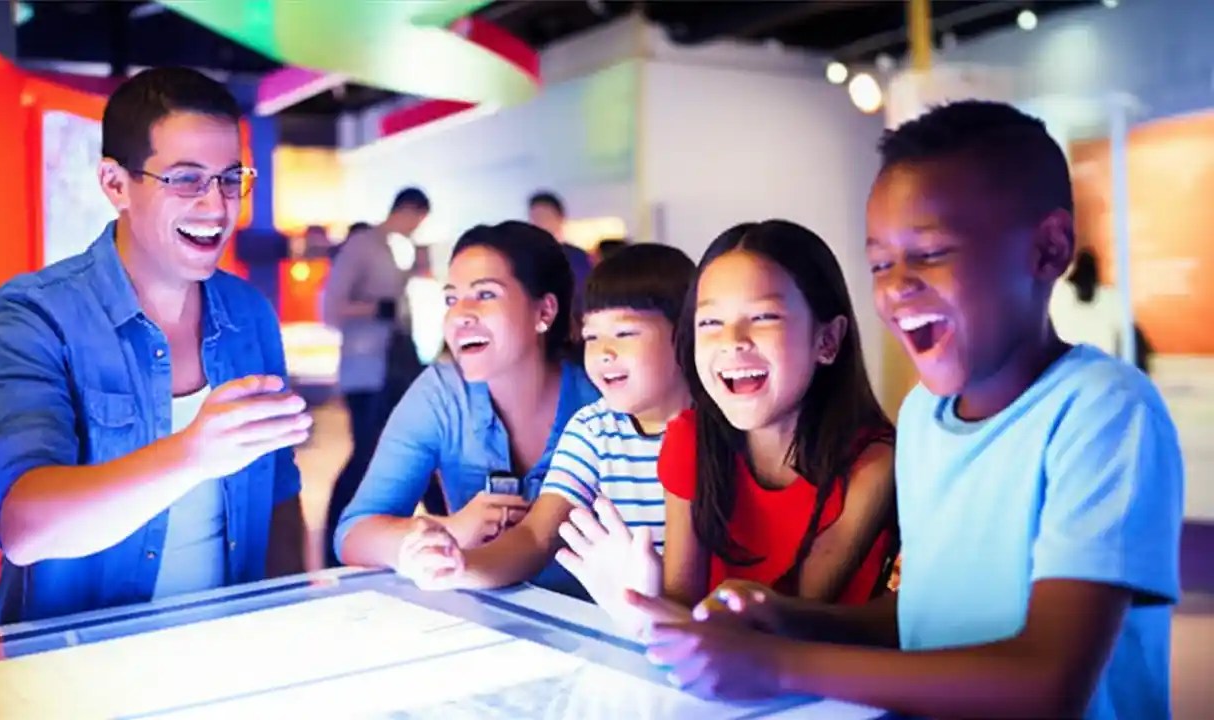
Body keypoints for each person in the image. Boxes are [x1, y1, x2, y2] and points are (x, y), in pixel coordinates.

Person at [636, 102, 1183, 720]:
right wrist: (785, 617)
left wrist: (779, 662)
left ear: (1048, 250)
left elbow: (1047, 681)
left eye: (930, 253)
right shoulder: (923, 417)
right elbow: (924, 616)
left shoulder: (1105, 413)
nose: (895, 287)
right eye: (879, 263)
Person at [0, 67, 310, 625]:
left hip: (228, 653)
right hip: (75, 672)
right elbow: (23, 526)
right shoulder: (35, 314)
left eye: (230, 179)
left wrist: (289, 620)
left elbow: (279, 490)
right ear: (115, 184)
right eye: (185, 179)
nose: (216, 206)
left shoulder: (249, 315)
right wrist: (193, 453)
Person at [561, 221, 898, 633]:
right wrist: (643, 599)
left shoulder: (871, 465)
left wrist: (661, 614)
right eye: (710, 323)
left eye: (763, 316)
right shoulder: (690, 438)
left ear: (827, 340)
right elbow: (681, 603)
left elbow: (786, 626)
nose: (732, 341)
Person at [388, 243, 695, 604]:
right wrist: (462, 566)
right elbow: (535, 536)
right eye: (592, 336)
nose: (604, 352)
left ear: (686, 335)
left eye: (625, 334)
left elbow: (686, 594)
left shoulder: (718, 430)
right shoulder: (593, 430)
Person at [334, 221, 601, 595]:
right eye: (450, 299)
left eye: (485, 294)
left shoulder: (600, 398)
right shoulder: (441, 395)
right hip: (485, 620)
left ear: (544, 311)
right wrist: (444, 533)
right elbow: (352, 533)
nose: (460, 315)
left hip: (595, 628)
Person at [321, 193, 429, 567]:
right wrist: (376, 308)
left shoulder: (395, 249)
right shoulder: (363, 246)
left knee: (407, 449)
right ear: (408, 212)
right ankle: (339, 543)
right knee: (366, 453)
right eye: (417, 219)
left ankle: (368, 539)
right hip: (367, 370)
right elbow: (330, 309)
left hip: (397, 363)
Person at [529, 191, 593, 318]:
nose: (539, 223)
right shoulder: (528, 257)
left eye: (544, 217)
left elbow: (584, 294)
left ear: (560, 218)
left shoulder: (577, 257)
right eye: (535, 218)